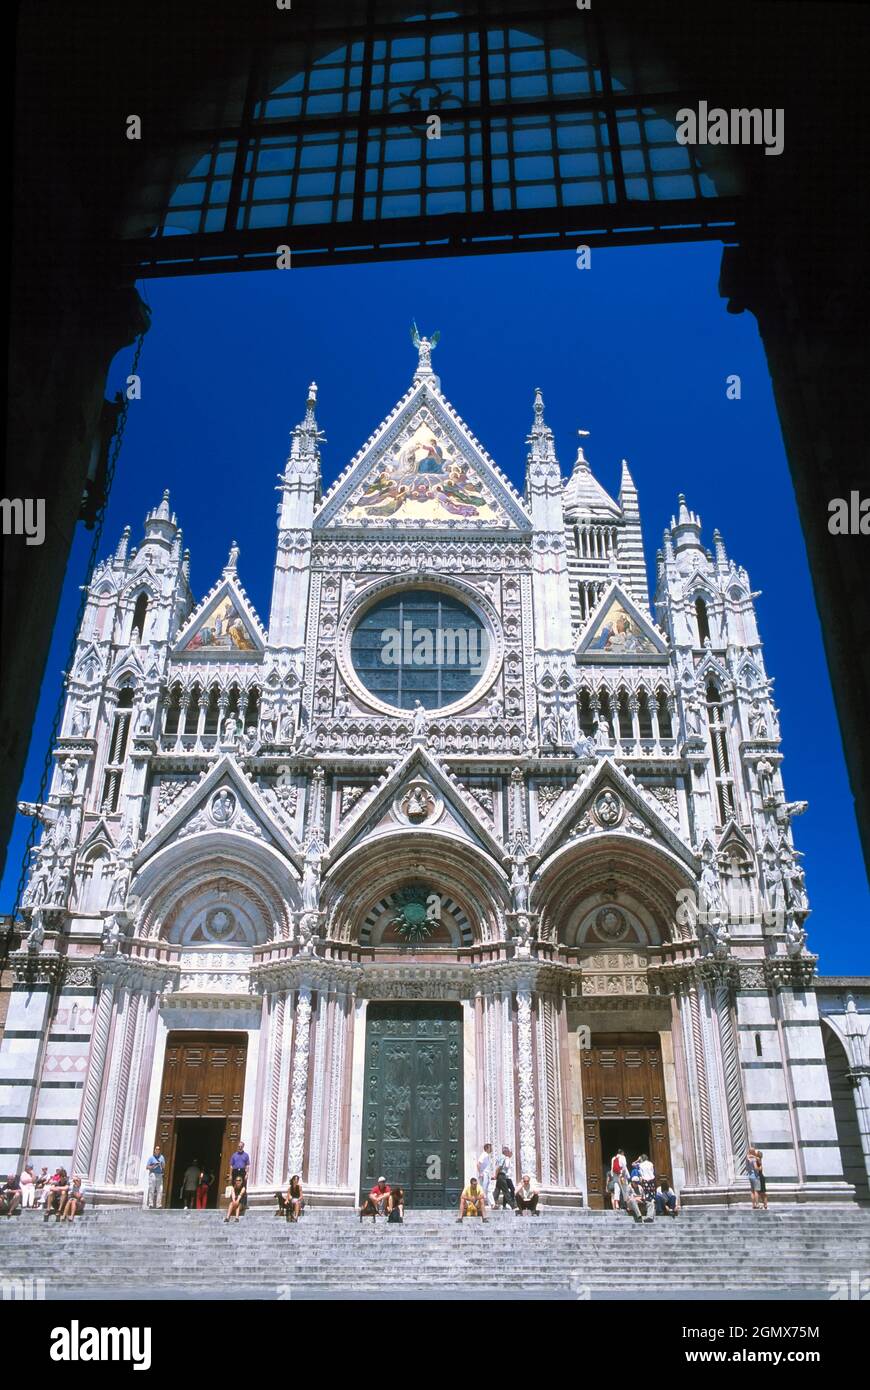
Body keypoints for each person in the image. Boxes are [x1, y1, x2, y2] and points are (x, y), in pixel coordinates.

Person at [493, 1146, 515, 1210]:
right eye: (507, 1151)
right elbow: (499, 1167)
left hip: (500, 1175)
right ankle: (512, 1205)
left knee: (497, 1190)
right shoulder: (503, 1157)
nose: (508, 1153)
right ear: (505, 1152)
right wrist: (495, 1175)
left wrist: (496, 1175)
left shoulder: (499, 1157)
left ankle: (493, 1203)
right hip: (502, 1175)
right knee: (506, 1191)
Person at [477, 1142, 495, 1209]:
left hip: (487, 1175)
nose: (491, 1149)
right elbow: (478, 1164)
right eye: (490, 1147)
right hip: (484, 1174)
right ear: (487, 1148)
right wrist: (480, 1173)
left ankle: (492, 1204)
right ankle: (480, 1204)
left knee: (489, 1189)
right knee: (483, 1189)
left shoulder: (487, 1155)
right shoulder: (483, 1155)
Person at [744, 1146, 762, 1210]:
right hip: (755, 1176)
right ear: (753, 1151)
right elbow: (756, 1168)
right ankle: (757, 1204)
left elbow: (746, 1168)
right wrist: (759, 1168)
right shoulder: (753, 1159)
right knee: (756, 1191)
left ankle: (753, 1205)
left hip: (750, 1176)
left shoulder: (747, 1158)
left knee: (752, 1191)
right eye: (754, 1151)